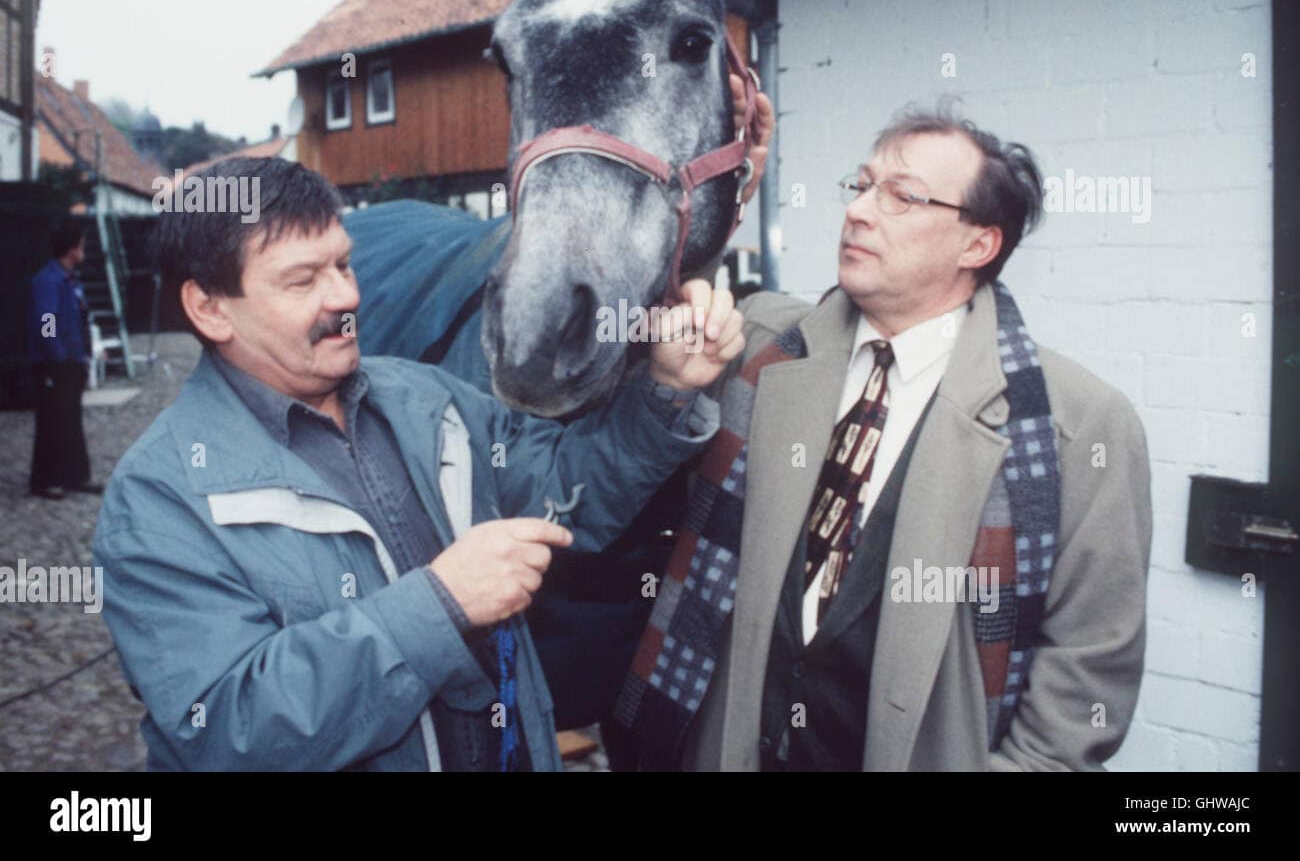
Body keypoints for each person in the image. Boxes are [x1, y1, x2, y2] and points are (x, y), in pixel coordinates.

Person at [92, 156, 744, 771]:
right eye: (302, 280)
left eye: (343, 265)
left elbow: (568, 488)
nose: (344, 296)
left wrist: (667, 388)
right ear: (209, 307)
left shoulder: (423, 397)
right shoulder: (159, 499)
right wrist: (441, 605)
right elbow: (228, 729)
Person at [615, 104, 1153, 771]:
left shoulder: (1080, 425)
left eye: (901, 196)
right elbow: (622, 455)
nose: (860, 210)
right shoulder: (759, 345)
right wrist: (667, 382)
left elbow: (1088, 669)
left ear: (977, 244)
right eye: (863, 186)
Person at [28, 216, 101, 500]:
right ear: (71, 249)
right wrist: (56, 357)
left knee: (71, 421)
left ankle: (74, 477)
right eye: (81, 245)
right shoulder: (48, 281)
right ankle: (45, 480)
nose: (84, 250)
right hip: (55, 364)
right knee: (51, 422)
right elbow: (46, 322)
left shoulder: (70, 281)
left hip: (72, 362)